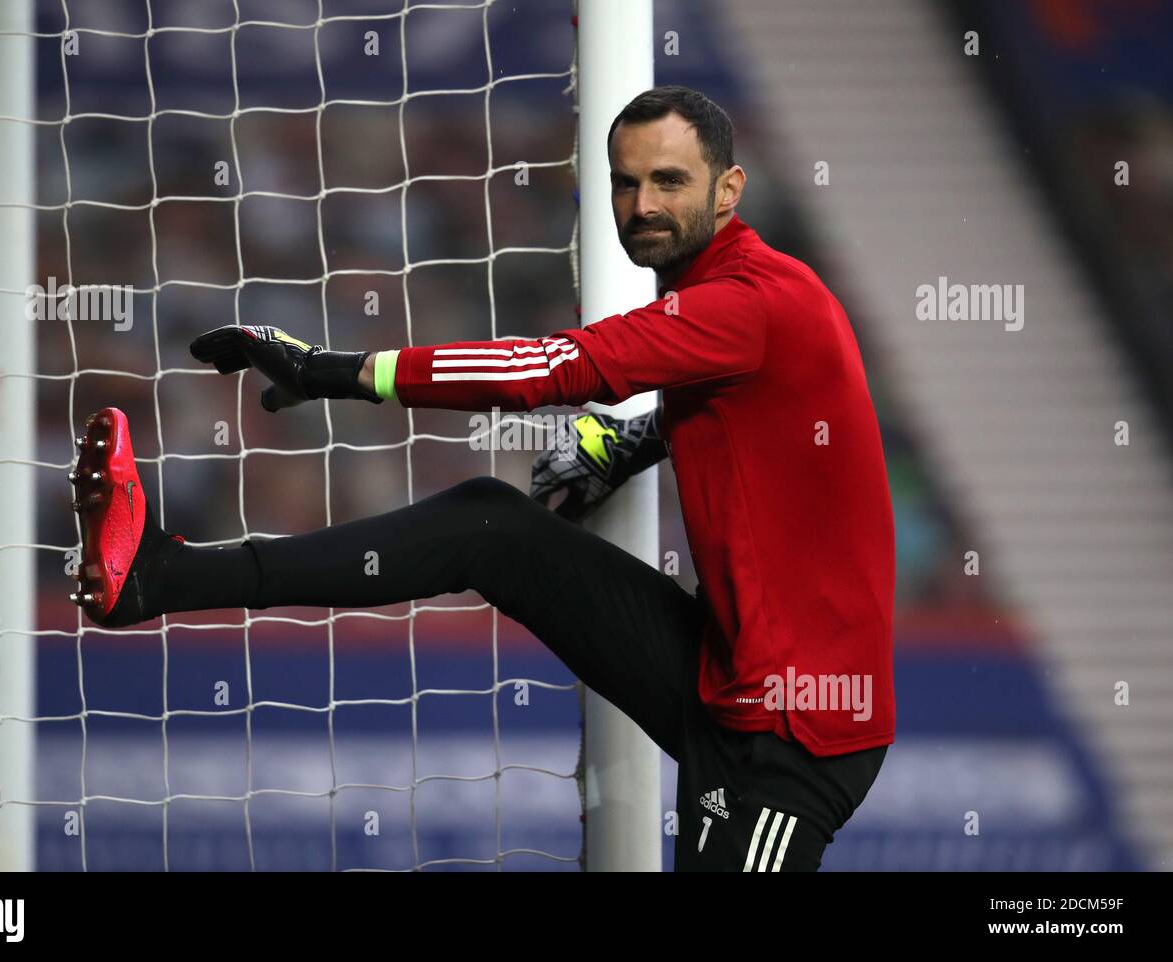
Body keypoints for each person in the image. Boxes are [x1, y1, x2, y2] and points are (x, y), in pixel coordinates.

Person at [68, 85, 895, 872]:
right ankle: (158, 576)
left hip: (798, 729)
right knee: (487, 522)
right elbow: (754, 416)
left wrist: (334, 370)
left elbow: (553, 368)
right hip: (727, 678)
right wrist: (629, 443)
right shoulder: (728, 300)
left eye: (669, 181)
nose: (642, 205)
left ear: (729, 190)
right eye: (626, 182)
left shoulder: (749, 302)